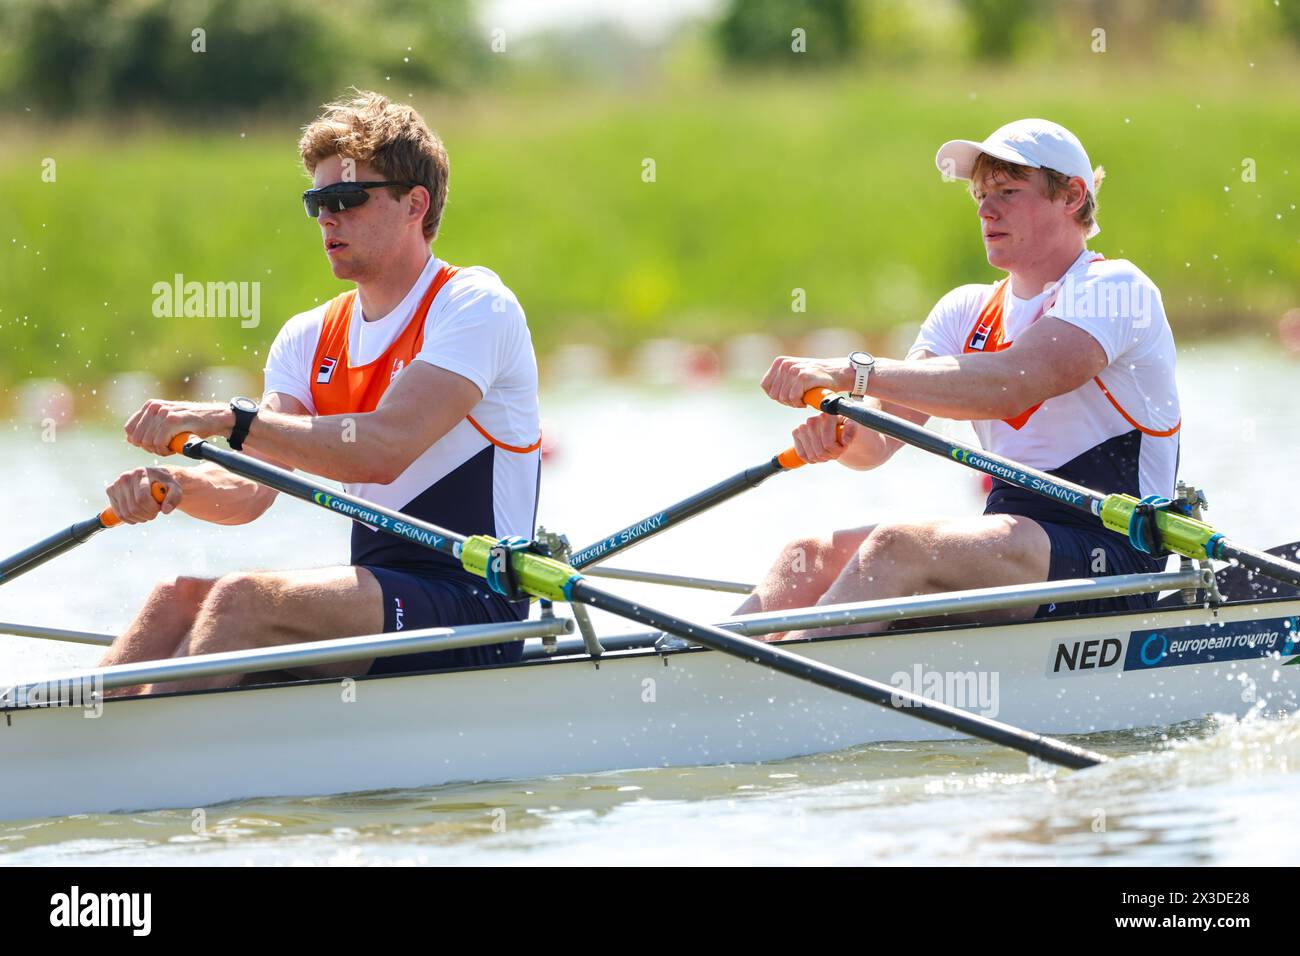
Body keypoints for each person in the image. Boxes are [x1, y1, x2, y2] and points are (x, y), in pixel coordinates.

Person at [98, 90, 541, 690]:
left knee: (242, 601)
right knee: (175, 600)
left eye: (346, 198)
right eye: (316, 202)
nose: (327, 217)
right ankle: (55, 757)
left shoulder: (473, 306)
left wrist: (230, 419)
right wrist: (174, 485)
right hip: (382, 601)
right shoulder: (309, 337)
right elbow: (251, 490)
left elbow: (381, 450)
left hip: (474, 605)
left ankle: (154, 769)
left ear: (415, 204)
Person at [742, 118, 1180, 639]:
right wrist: (844, 432)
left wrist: (850, 373)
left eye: (1008, 193)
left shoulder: (1116, 289)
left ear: (1072, 196)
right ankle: (691, 676)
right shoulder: (964, 310)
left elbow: (1010, 383)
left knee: (896, 547)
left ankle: (782, 699)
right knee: (805, 557)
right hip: (1017, 543)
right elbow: (878, 442)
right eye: (980, 194)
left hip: (1110, 552)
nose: (985, 210)